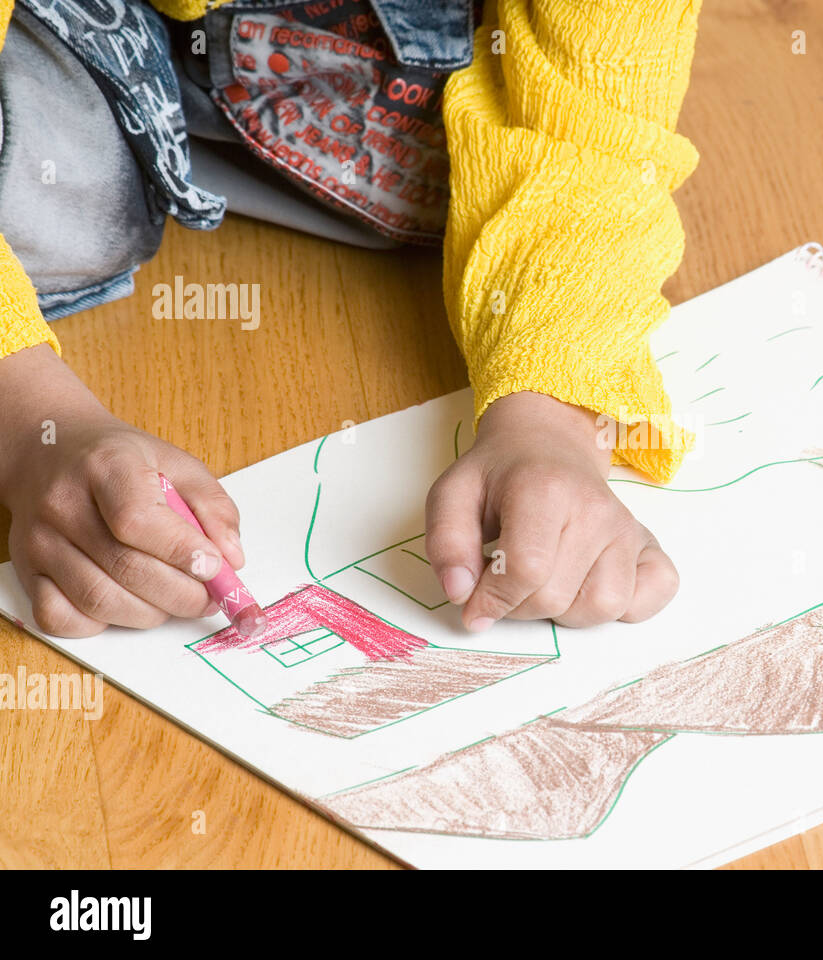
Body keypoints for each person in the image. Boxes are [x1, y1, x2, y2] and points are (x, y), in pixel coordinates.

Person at [0, 0, 701, 637]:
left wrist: (549, 418)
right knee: (66, 203)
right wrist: (28, 416)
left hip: (399, 66)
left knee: (472, 165)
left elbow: (589, 140)